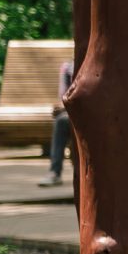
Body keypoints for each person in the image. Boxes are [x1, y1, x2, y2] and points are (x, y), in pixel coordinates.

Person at [40, 55, 77, 187]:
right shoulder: (67, 68)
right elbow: (64, 96)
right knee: (61, 121)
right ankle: (55, 172)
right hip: (72, 112)